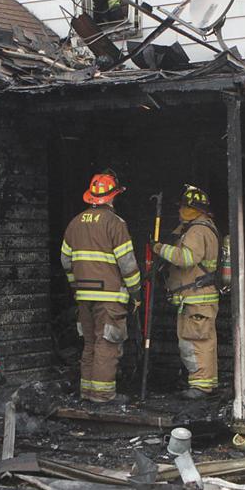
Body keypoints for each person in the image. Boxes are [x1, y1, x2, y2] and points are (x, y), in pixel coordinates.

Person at [61, 171, 142, 403]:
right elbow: (127, 263)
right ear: (112, 197)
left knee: (90, 343)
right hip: (109, 296)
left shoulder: (75, 223)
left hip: (84, 296)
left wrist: (75, 286)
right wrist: (136, 292)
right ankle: (103, 394)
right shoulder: (115, 224)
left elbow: (66, 260)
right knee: (107, 343)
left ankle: (87, 391)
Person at [154, 185, 221, 399]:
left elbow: (186, 259)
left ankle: (201, 386)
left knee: (196, 341)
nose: (180, 211)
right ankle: (203, 382)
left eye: (183, 207)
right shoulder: (199, 228)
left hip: (197, 297)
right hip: (195, 297)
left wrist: (159, 248)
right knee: (198, 340)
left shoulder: (197, 230)